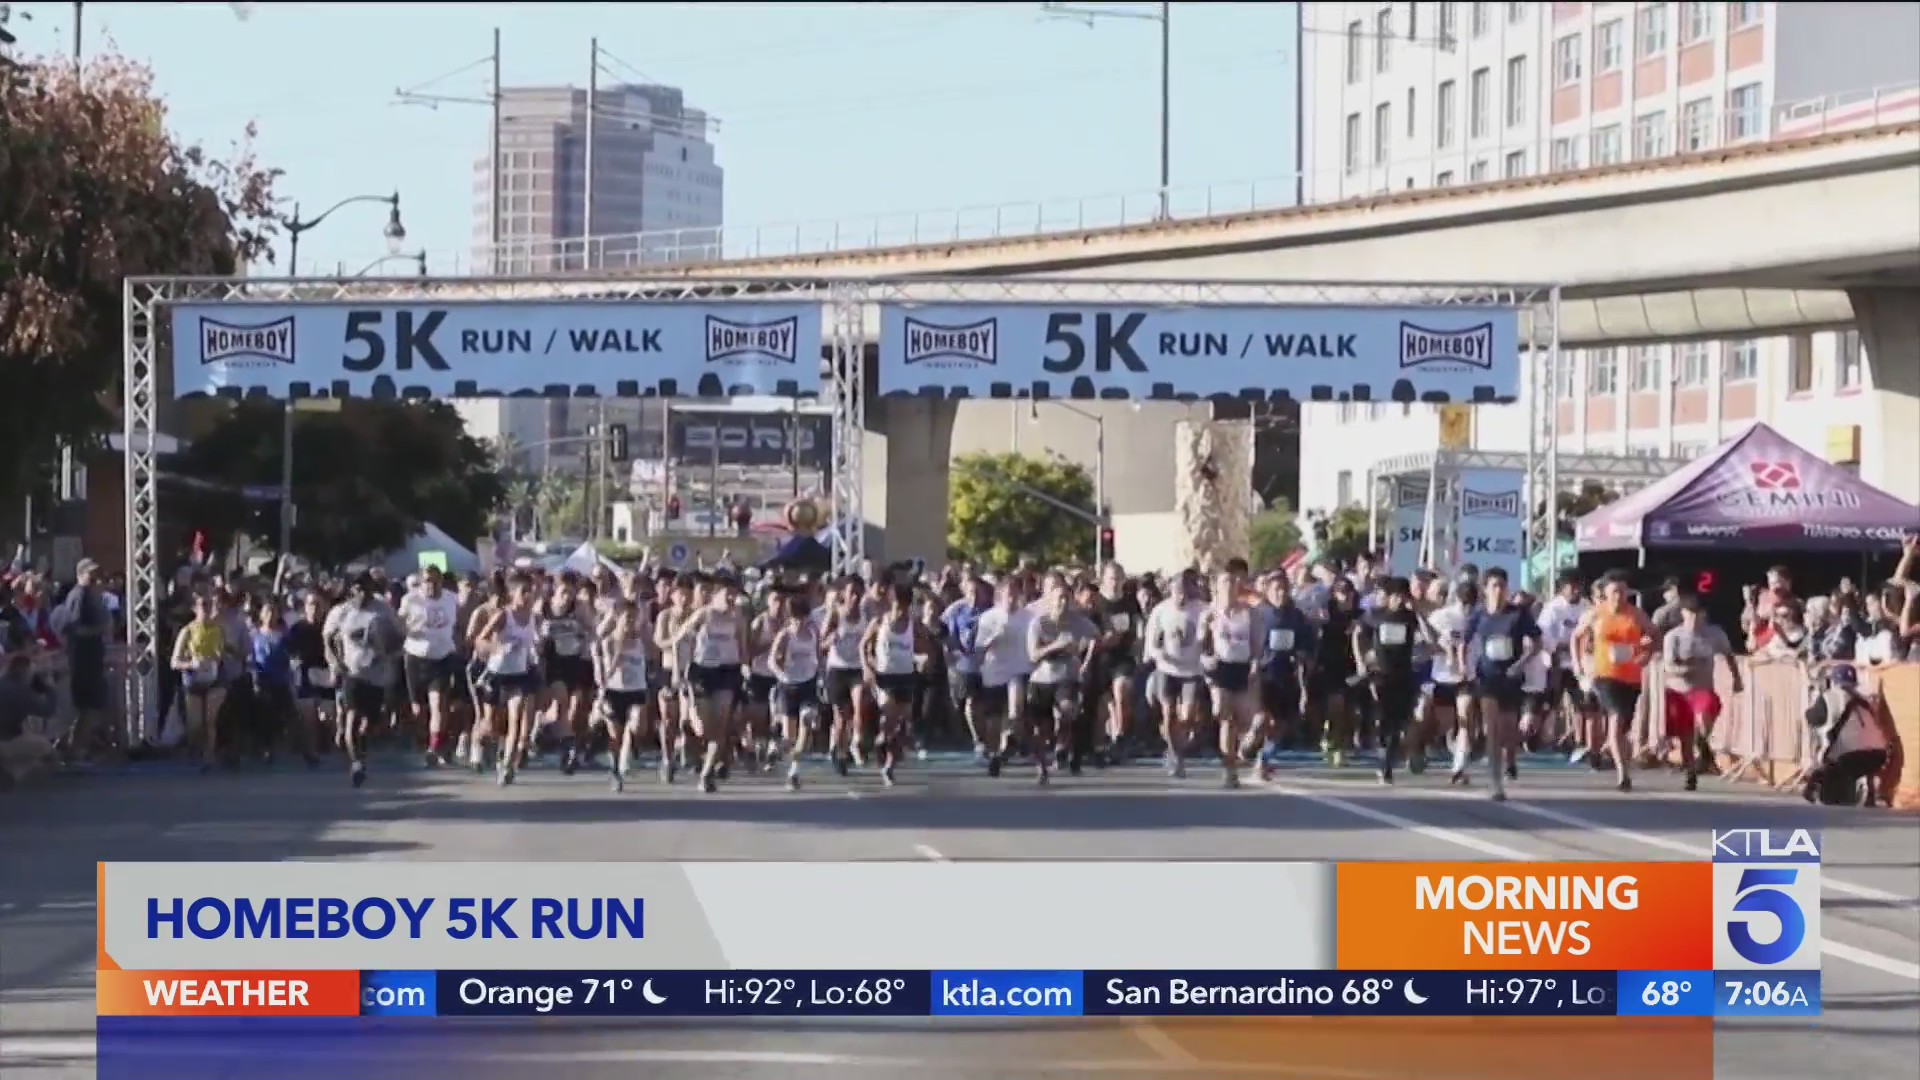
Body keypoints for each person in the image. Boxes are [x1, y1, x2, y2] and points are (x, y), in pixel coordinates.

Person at [1464, 568, 1541, 802]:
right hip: (1487, 677)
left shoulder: (1518, 614)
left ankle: (1510, 760)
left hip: (1511, 677)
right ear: (1485, 589)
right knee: (1492, 730)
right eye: (1493, 585)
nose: (1498, 590)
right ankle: (1494, 781)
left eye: (1502, 585)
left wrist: (1522, 662)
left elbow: (1537, 642)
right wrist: (1463, 666)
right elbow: (1464, 642)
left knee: (1509, 730)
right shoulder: (1478, 615)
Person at [1573, 573, 1655, 793]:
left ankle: (1623, 762)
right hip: (1605, 676)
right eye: (1614, 592)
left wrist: (1646, 652)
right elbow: (1576, 637)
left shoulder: (1636, 614)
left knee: (1623, 728)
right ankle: (1623, 774)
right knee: (1616, 719)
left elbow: (1654, 635)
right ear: (1606, 594)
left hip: (1631, 677)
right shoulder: (1596, 614)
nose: (1619, 596)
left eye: (1622, 592)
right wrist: (1578, 665)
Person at [323, 573, 402, 789]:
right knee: (352, 718)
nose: (362, 593)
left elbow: (399, 636)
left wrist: (388, 651)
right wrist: (335, 663)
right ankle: (356, 763)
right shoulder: (342, 612)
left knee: (367, 725)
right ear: (351, 590)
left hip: (375, 674)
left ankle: (362, 757)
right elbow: (328, 637)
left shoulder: (383, 610)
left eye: (366, 589)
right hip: (352, 672)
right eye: (358, 589)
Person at [1661, 597, 1742, 790]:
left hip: (1702, 688)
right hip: (1678, 690)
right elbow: (1669, 666)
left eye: (1698, 615)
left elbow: (1728, 655)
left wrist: (1737, 678)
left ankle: (1702, 740)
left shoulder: (1714, 634)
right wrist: (1689, 667)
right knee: (1685, 736)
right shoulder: (1674, 636)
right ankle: (1691, 772)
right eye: (1690, 614)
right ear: (1683, 614)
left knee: (1706, 715)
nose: (1694, 619)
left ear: (1704, 615)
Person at [399, 565, 463, 768]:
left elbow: (458, 624)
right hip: (416, 658)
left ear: (441, 582)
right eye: (427, 581)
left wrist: (459, 646)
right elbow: (399, 624)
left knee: (438, 705)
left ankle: (433, 747)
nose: (431, 586)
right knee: (418, 710)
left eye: (435, 581)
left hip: (442, 657)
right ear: (421, 581)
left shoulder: (451, 598)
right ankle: (432, 740)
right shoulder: (411, 600)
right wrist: (407, 629)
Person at [1803, 667, 1890, 806]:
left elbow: (1814, 718)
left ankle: (1848, 791)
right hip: (1879, 754)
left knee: (1831, 788)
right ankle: (1866, 786)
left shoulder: (1829, 697)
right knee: (1850, 766)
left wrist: (1809, 710)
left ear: (1834, 681)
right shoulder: (1864, 700)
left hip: (1847, 754)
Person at [0, 652, 59, 789]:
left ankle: (7, 767)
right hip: (6, 739)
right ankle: (14, 774)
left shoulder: (3, 682)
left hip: (8, 734)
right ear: (24, 671)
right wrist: (50, 688)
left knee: (26, 734)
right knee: (50, 755)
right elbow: (47, 711)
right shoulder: (20, 691)